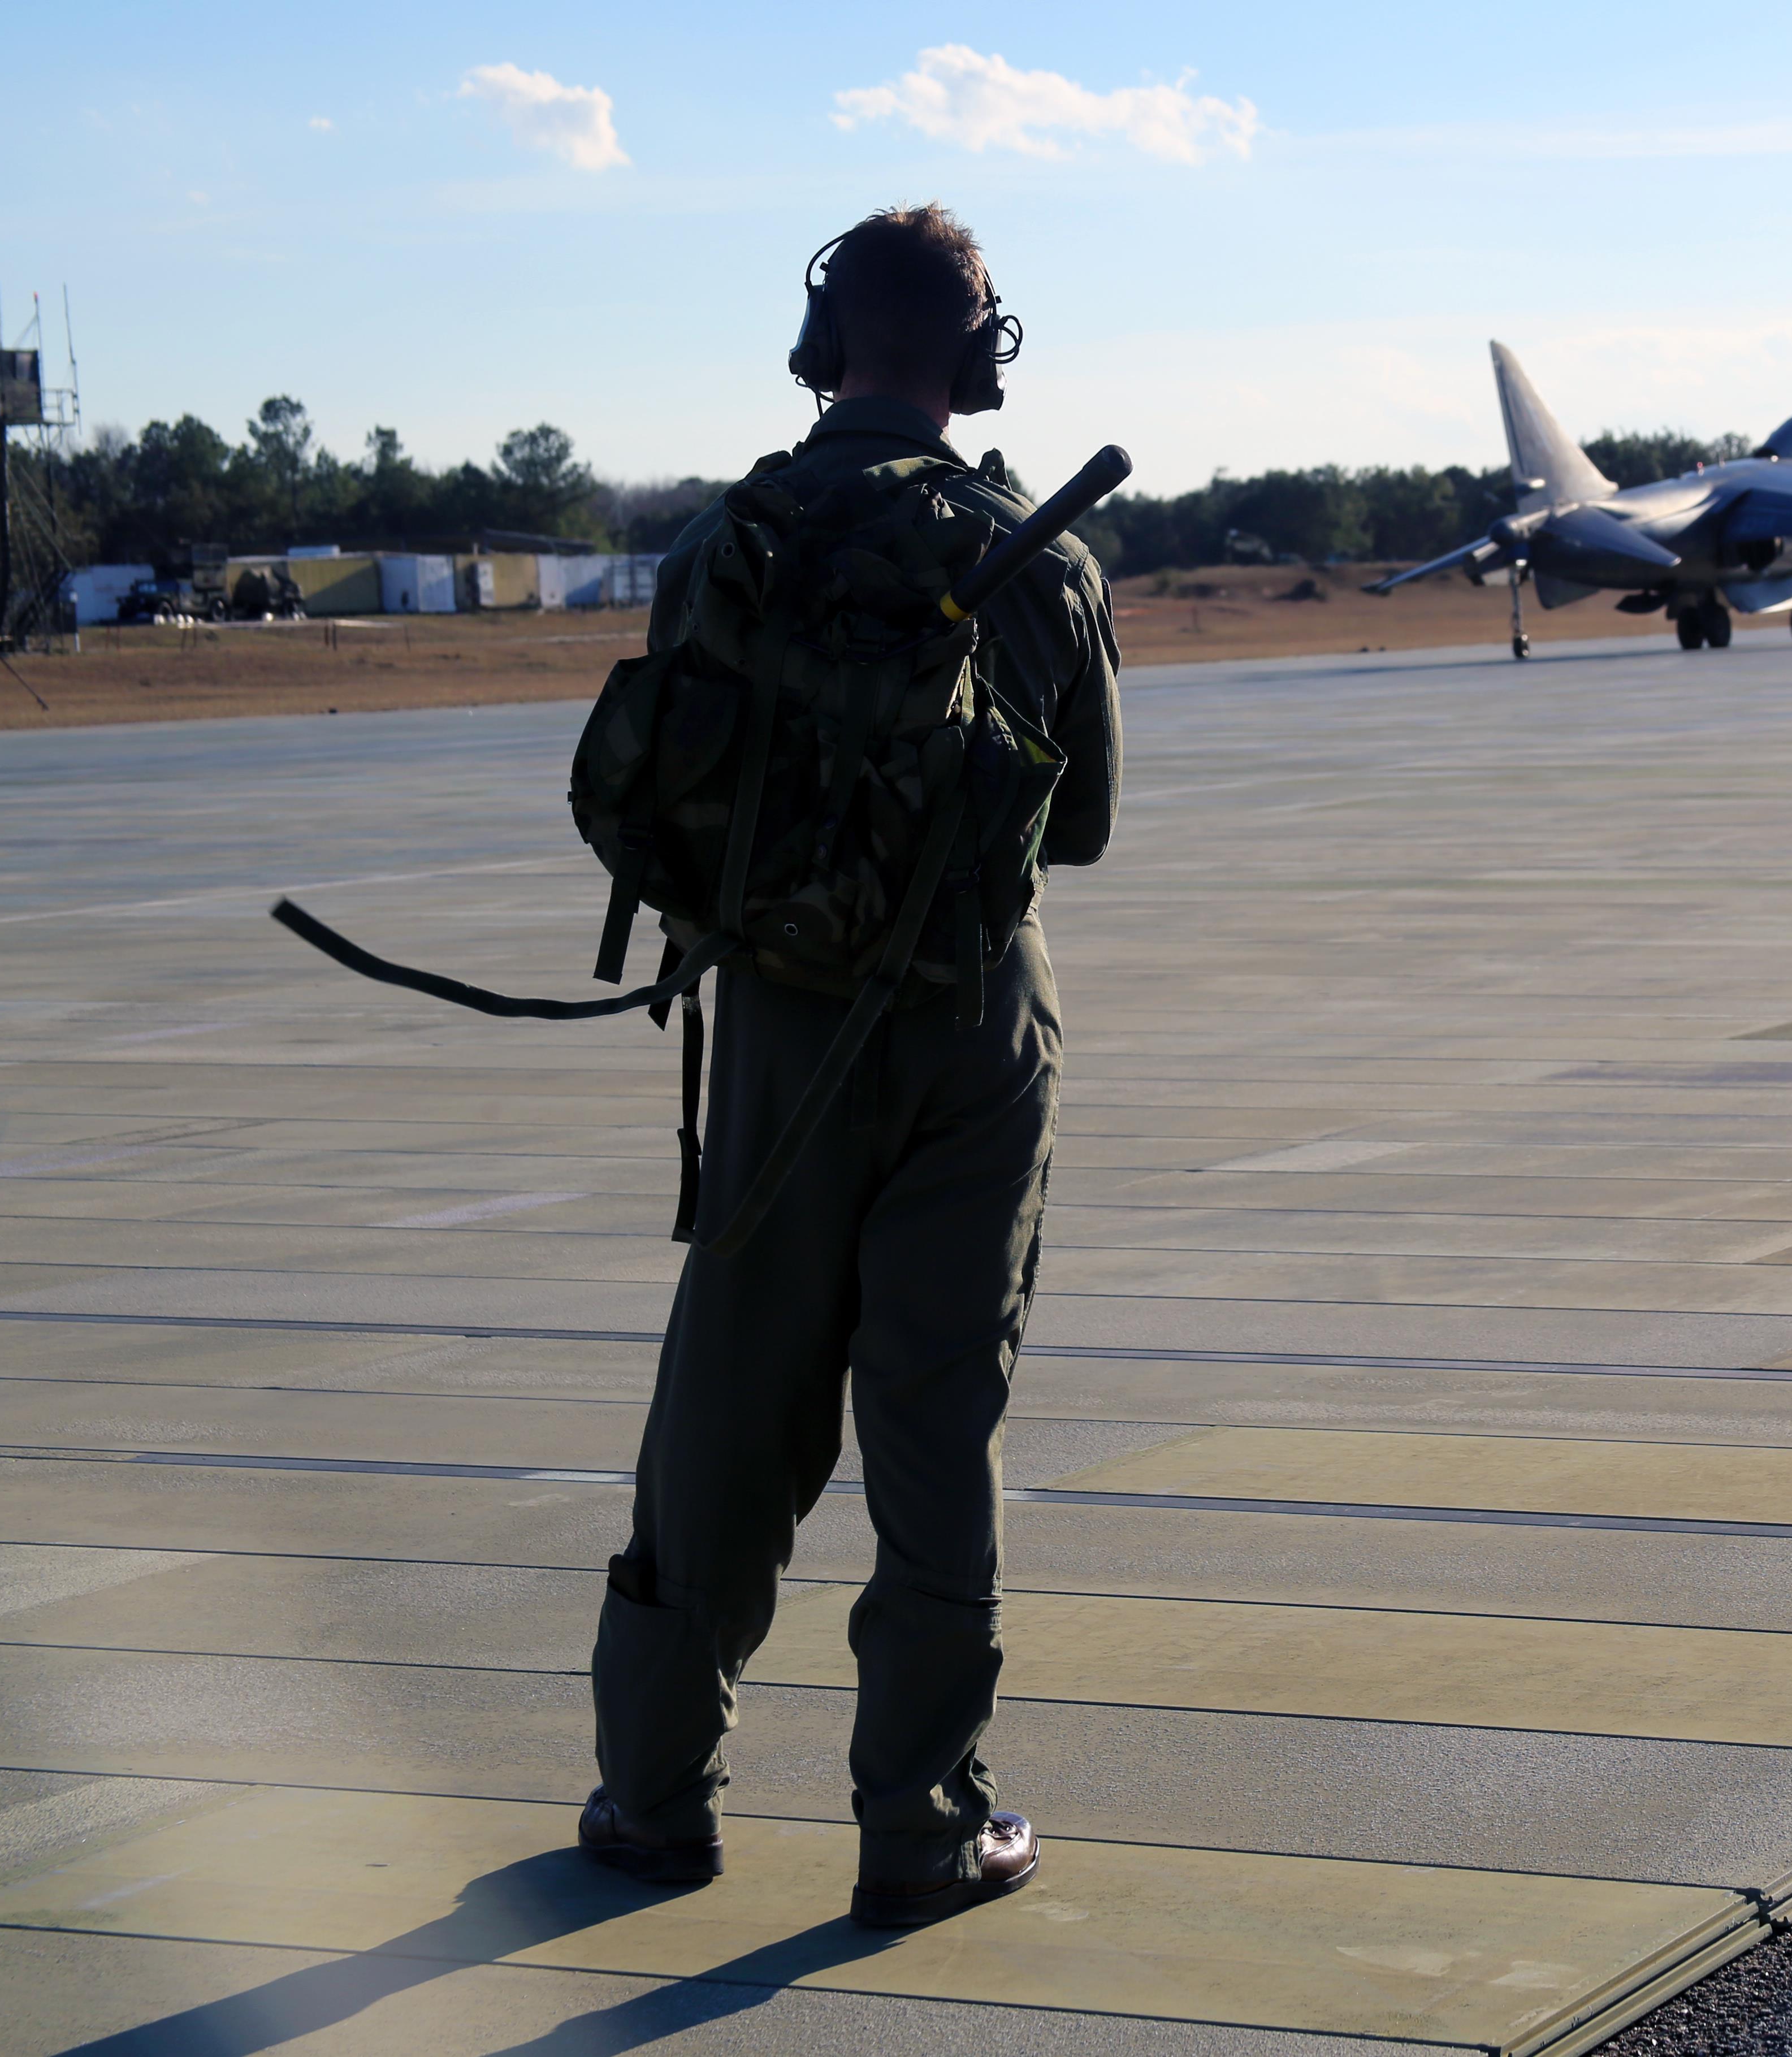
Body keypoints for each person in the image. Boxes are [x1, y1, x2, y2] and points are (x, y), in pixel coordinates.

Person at [574, 203, 1119, 1926]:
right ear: (981, 355)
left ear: (826, 344)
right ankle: (919, 1822)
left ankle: (654, 1795)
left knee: (728, 1401)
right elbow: (1081, 827)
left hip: (776, 1026)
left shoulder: (727, 539)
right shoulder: (1035, 553)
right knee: (937, 1420)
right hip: (971, 1029)